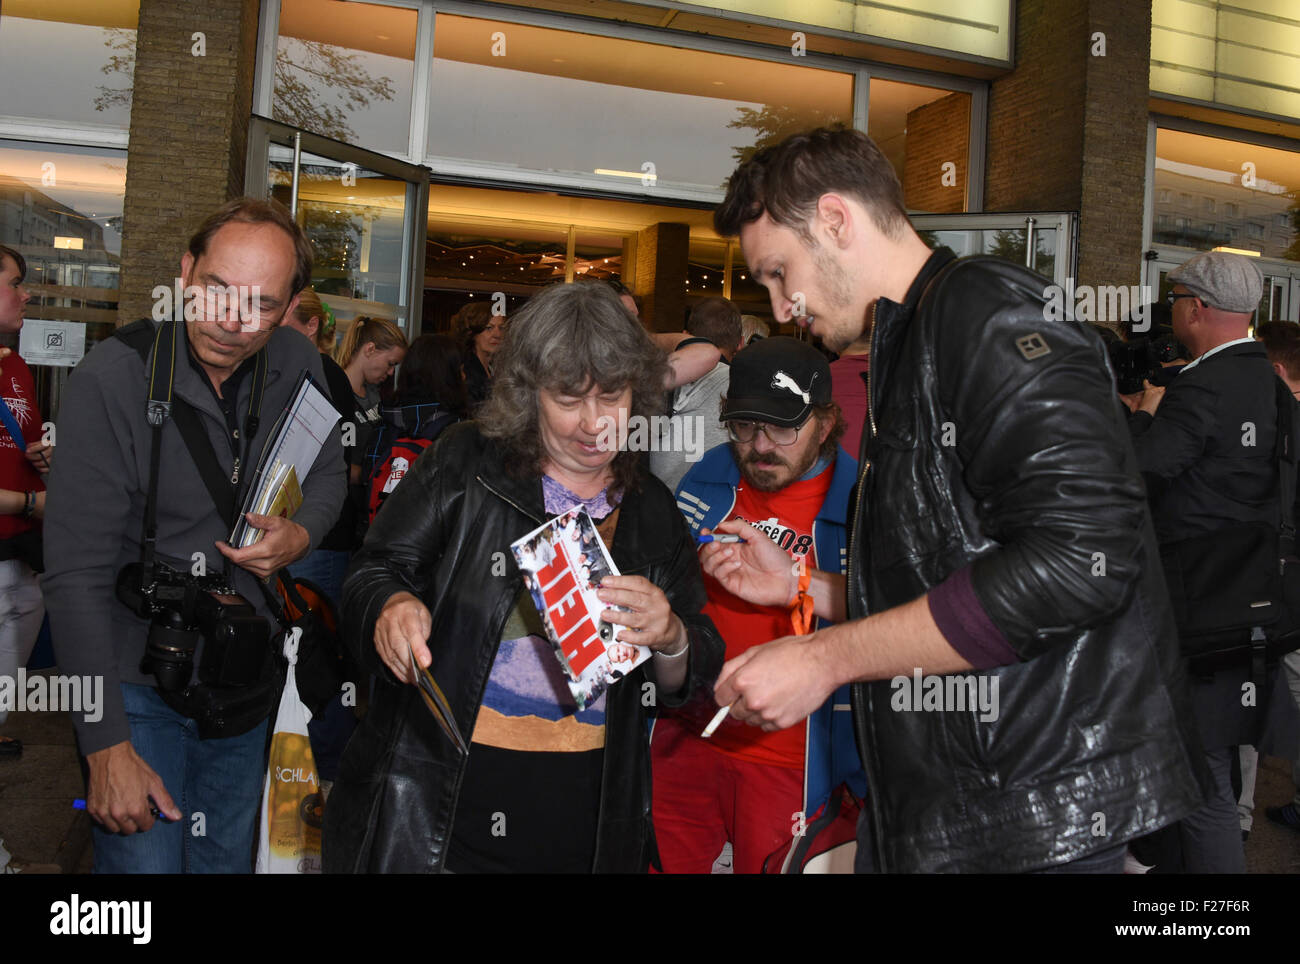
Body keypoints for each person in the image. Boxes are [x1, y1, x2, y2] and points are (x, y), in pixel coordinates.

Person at [701, 126, 1206, 873]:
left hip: (1035, 809)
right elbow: (952, 576)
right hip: (978, 799)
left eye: (780, 273)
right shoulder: (917, 337)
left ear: (836, 220)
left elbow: (1082, 563)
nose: (780, 308)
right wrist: (804, 586)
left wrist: (825, 658)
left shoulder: (988, 315)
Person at [323, 281, 723, 873]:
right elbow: (374, 569)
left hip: (587, 815)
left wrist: (672, 638)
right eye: (568, 399)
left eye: (612, 397)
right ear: (528, 393)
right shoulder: (465, 463)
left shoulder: (651, 510)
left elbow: (692, 677)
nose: (594, 425)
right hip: (441, 799)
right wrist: (390, 606)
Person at [42, 198, 346, 873]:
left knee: (223, 864)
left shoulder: (297, 360)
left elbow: (329, 473)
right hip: (132, 682)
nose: (233, 323)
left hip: (245, 678)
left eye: (262, 305)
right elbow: (74, 577)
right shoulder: (113, 379)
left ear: (292, 303)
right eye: (216, 291)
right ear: (185, 272)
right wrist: (104, 746)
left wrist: (301, 532)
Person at [655, 336, 865, 874]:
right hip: (686, 737)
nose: (762, 446)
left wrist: (797, 581)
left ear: (825, 420)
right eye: (745, 427)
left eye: (783, 428)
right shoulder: (707, 473)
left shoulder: (864, 500)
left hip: (795, 758)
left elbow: (899, 616)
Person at [1130, 252, 1299, 871]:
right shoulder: (1273, 385)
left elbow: (1139, 473)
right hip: (1252, 604)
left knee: (1203, 787)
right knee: (1215, 767)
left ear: (1195, 309)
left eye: (1175, 297)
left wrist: (1144, 416)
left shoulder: (1200, 387)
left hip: (1197, 609)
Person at [0, 245, 51, 757]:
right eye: (15, 282)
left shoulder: (15, 366)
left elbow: (25, 444)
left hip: (22, 558)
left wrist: (44, 463)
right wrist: (29, 504)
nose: (26, 293)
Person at [362, 333, 466, 521]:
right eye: (461, 370)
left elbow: (367, 481)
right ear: (450, 376)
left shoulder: (386, 419)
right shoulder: (458, 430)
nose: (465, 376)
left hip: (380, 539)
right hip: (429, 543)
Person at [649, 296, 744, 492]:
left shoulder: (656, 378)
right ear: (740, 343)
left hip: (655, 504)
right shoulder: (743, 389)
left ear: (685, 337)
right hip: (712, 510)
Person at [333, 315, 407, 540]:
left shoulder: (375, 394)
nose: (391, 372)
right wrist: (374, 473)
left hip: (363, 517)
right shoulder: (335, 393)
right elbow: (334, 465)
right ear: (370, 349)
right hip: (337, 519)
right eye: (390, 363)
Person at [454, 301, 505, 412]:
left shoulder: (500, 368)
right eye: (489, 328)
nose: (497, 335)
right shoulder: (464, 370)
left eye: (501, 328)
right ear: (472, 333)